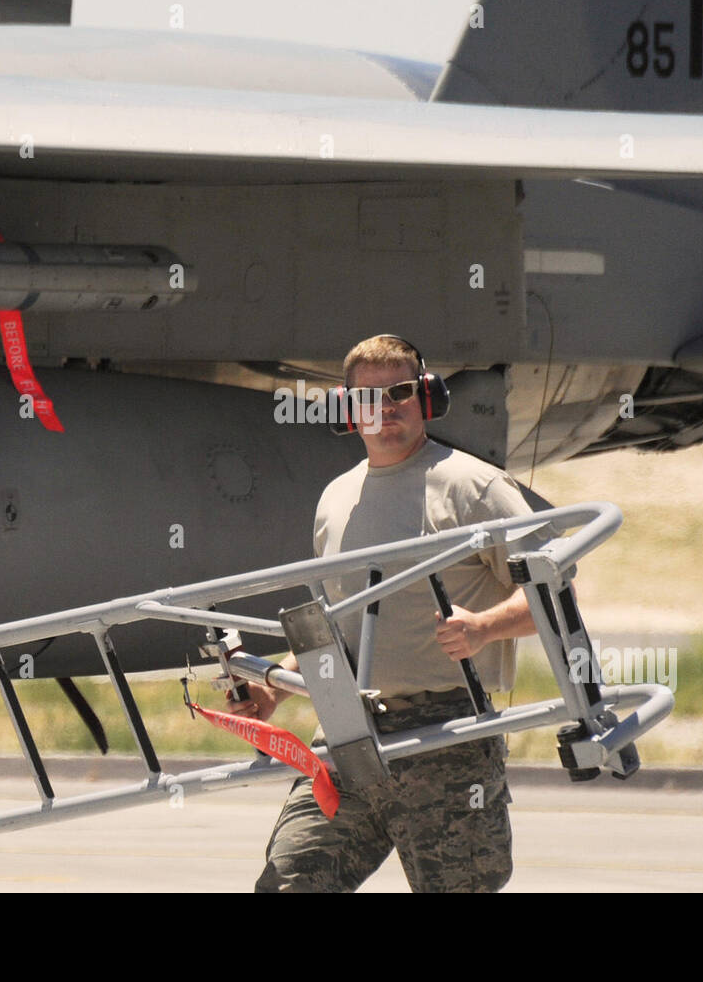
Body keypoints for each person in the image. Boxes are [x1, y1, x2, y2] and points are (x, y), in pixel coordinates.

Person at [230, 334, 547, 893]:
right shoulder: (336, 500)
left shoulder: (473, 486)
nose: (388, 407)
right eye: (370, 397)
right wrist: (272, 690)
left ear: (427, 396)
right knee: (289, 883)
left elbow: (553, 589)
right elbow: (335, 626)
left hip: (447, 736)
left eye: (401, 391)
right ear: (350, 411)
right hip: (349, 735)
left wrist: (484, 627)